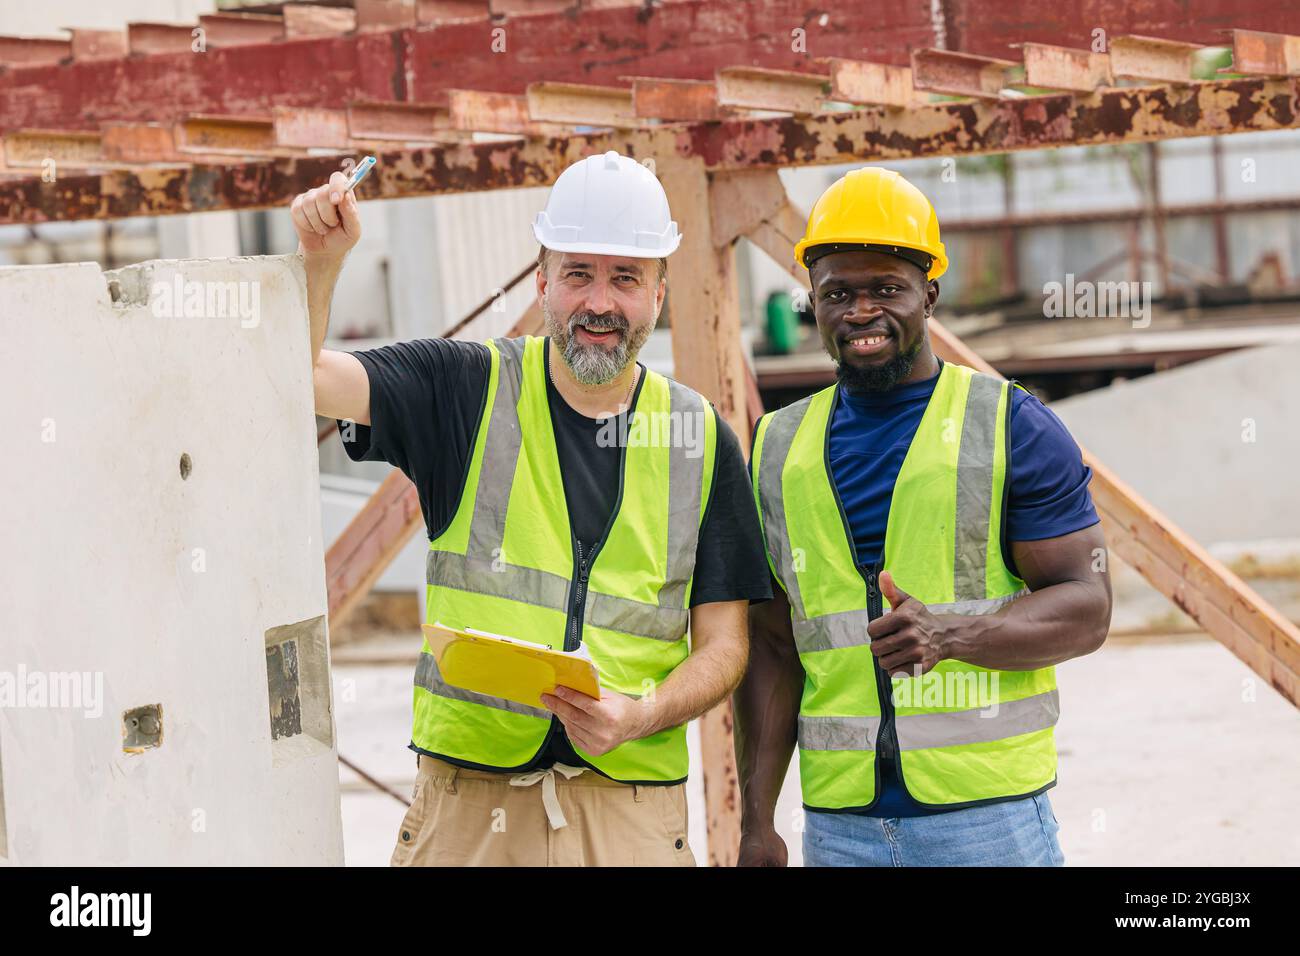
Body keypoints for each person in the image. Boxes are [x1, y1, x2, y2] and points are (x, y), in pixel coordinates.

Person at [293, 150, 771, 866]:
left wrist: (639, 716)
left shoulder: (700, 439)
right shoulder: (461, 388)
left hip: (629, 814)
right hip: (470, 809)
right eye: (578, 273)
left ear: (659, 295)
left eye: (626, 278)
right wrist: (322, 263)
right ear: (543, 280)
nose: (600, 303)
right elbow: (299, 378)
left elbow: (727, 646)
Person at [735, 166, 1112, 867]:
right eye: (838, 292)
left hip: (987, 823)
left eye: (887, 289)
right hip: (840, 826)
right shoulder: (778, 448)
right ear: (812, 300)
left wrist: (951, 633)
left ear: (929, 294)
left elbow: (1088, 607)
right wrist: (756, 820)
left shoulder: (1011, 427)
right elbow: (774, 645)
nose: (861, 311)